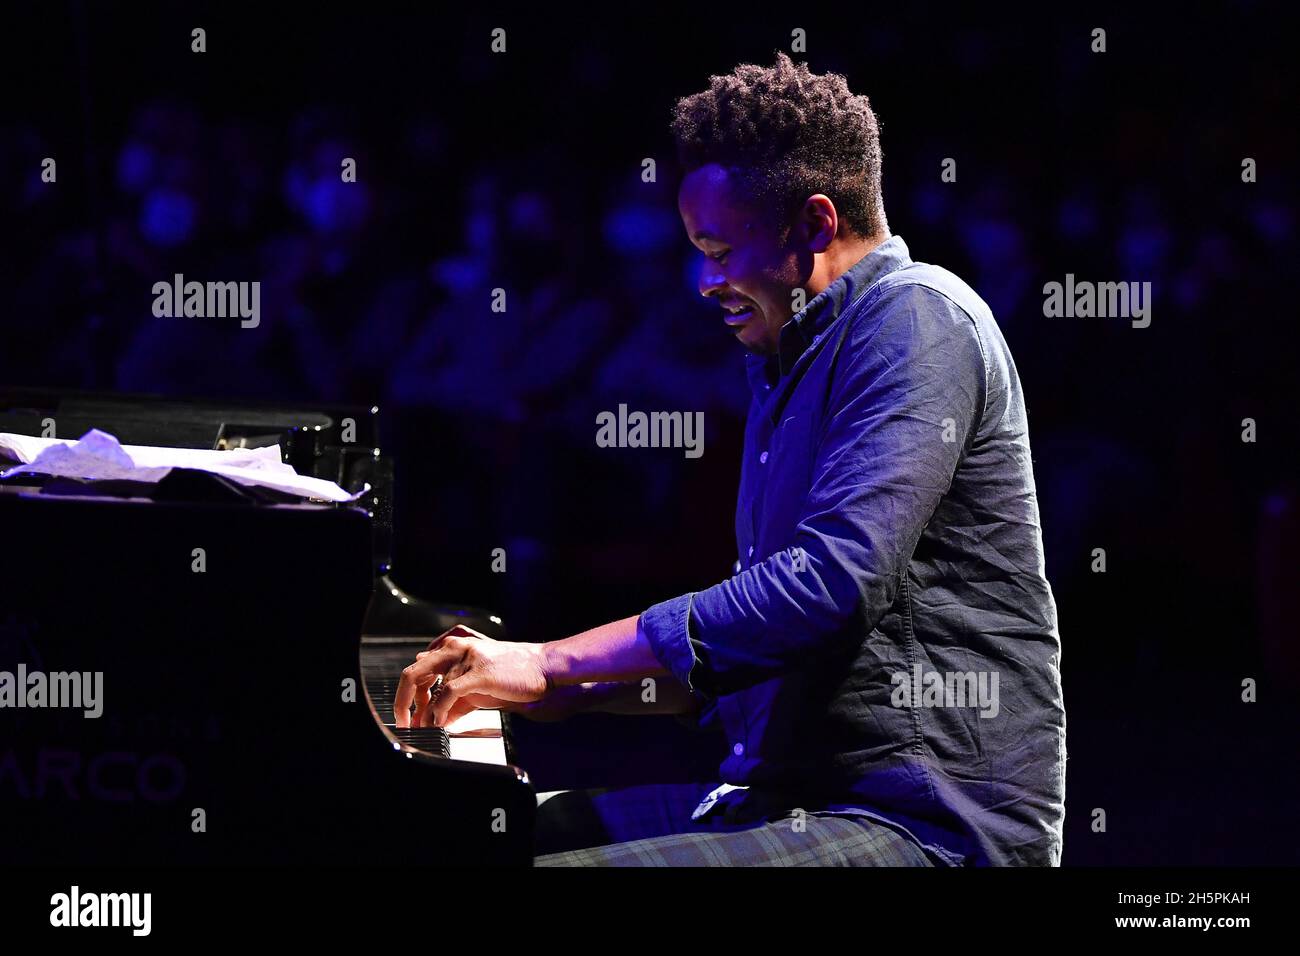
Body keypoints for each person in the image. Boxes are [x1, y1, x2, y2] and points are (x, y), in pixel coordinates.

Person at [395, 53, 1066, 867]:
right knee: (470, 841)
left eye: (718, 250)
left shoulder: (918, 321)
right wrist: (557, 689)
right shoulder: (790, 355)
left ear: (816, 225)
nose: (704, 280)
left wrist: (547, 661)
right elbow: (748, 649)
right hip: (791, 796)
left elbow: (826, 587)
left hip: (925, 820)